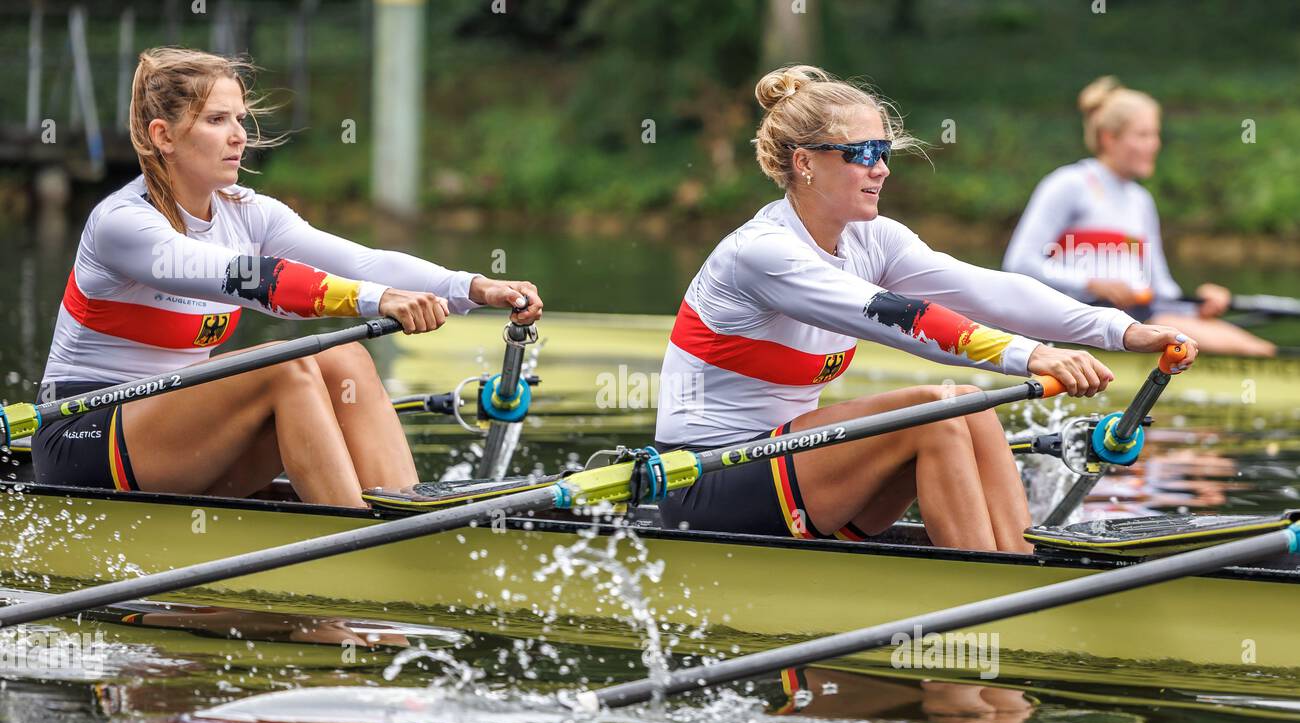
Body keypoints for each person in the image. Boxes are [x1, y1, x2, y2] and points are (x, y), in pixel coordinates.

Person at [654, 65, 1196, 554]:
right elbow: (891, 315)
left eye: (885, 152)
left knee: (968, 404)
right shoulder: (761, 253)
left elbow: (992, 290)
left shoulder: (875, 241)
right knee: (934, 416)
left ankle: (1018, 561)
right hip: (704, 480)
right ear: (805, 164)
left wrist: (1121, 330)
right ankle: (987, 584)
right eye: (863, 154)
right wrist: (1032, 357)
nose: (883, 169)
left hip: (793, 466)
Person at [33, 48, 543, 508]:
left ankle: (401, 509)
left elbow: (361, 263)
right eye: (216, 120)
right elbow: (248, 280)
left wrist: (473, 287)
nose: (239, 136)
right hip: (83, 436)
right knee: (285, 368)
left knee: (344, 358)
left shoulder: (250, 214)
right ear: (162, 136)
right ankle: (359, 541)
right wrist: (378, 301)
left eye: (239, 118)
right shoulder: (123, 224)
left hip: (175, 437)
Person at [1003, 76, 1274, 357]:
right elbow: (1019, 262)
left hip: (1136, 320)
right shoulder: (1069, 184)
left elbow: (1160, 290)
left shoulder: (1141, 201)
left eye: (1155, 135)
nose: (1154, 145)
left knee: (1261, 349)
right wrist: (1091, 283)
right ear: (1110, 138)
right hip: (1076, 322)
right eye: (1143, 135)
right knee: (1248, 350)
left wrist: (1198, 305)